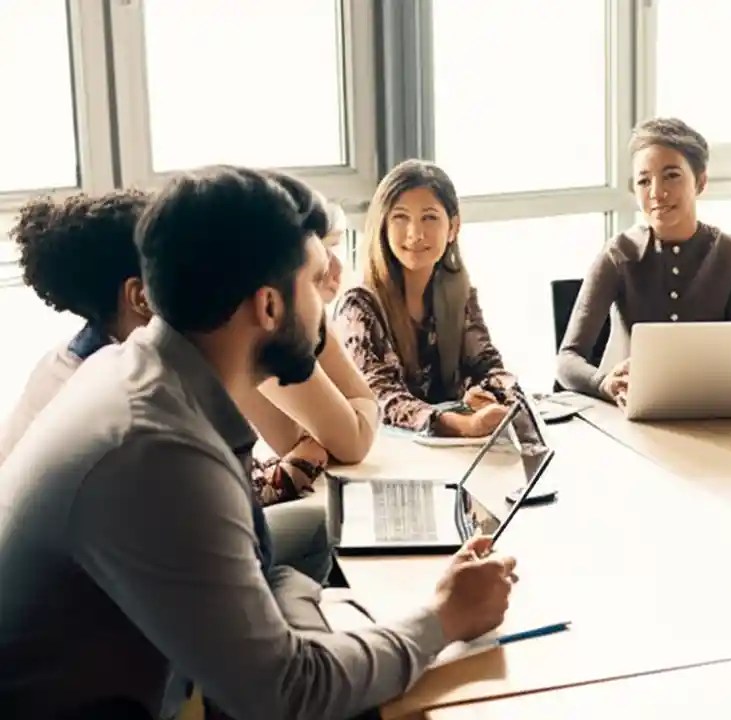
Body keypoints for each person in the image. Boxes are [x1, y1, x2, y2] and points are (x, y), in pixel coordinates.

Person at [0, 166, 517, 719]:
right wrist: (444, 617)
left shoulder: (140, 370)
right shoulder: (157, 448)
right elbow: (287, 694)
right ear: (269, 308)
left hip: (148, 681)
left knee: (320, 577)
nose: (326, 303)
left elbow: (263, 572)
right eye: (315, 281)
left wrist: (312, 622)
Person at [0, 188, 377, 583]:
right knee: (324, 531)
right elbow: (223, 495)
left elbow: (285, 438)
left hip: (109, 569)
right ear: (142, 297)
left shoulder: (105, 358)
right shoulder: (126, 391)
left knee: (318, 530)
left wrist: (296, 318)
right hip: (102, 589)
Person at [555, 117, 731, 404]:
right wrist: (603, 383)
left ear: (700, 182)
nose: (656, 193)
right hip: (632, 414)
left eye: (671, 176)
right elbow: (567, 360)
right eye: (644, 181)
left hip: (713, 409)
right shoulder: (618, 254)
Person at [335, 159, 517, 436]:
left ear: (453, 227)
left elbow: (488, 366)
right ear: (382, 225)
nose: (415, 234)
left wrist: (488, 395)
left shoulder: (459, 293)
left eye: (429, 218)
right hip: (382, 452)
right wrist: (463, 425)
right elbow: (382, 397)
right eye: (400, 217)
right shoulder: (358, 306)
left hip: (453, 449)